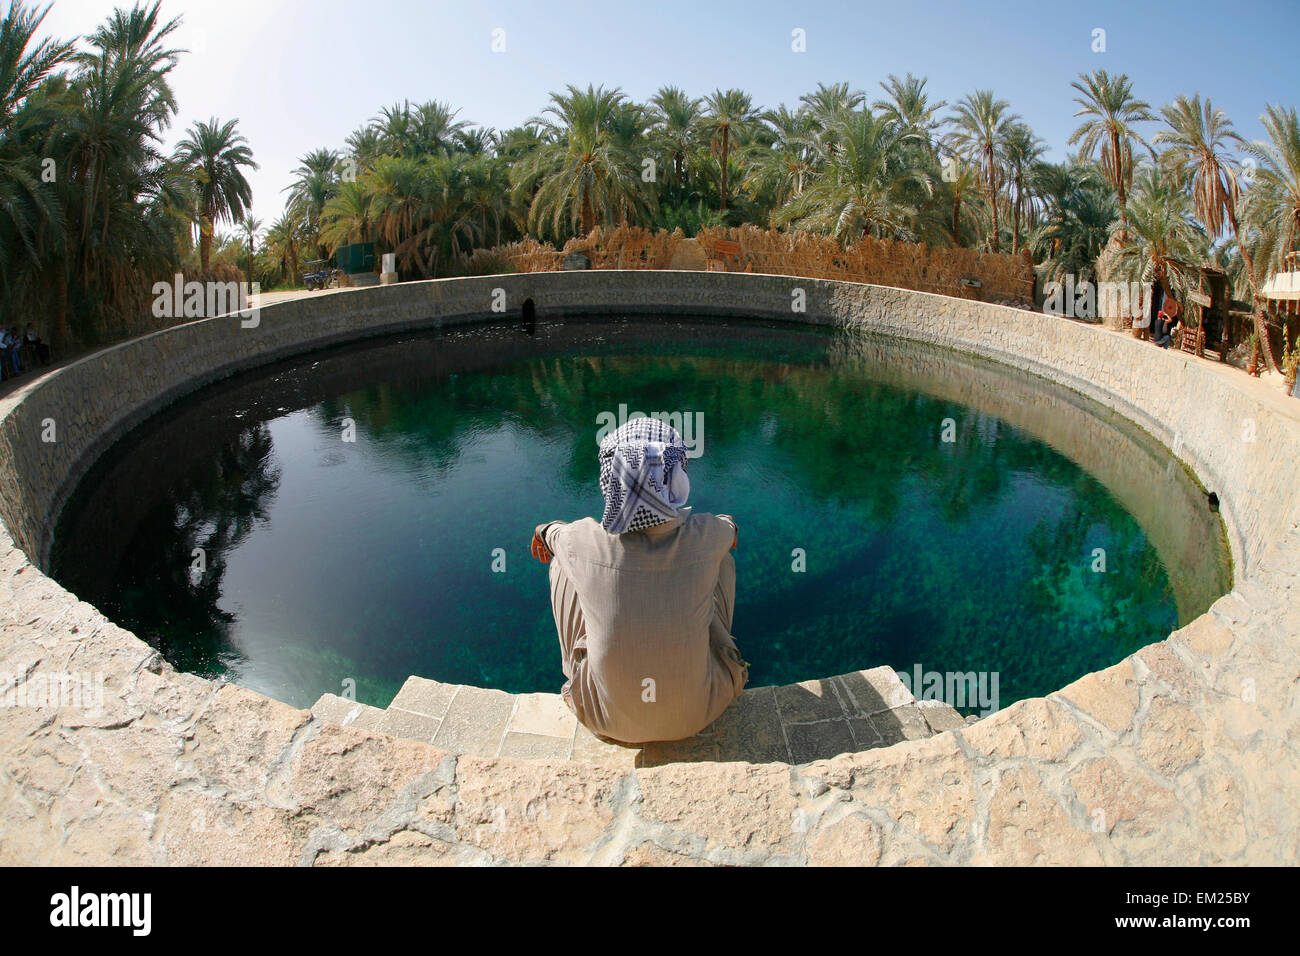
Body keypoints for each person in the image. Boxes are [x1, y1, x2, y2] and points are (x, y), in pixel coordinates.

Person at [531, 417, 747, 744]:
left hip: (600, 716)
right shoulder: (707, 534)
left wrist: (543, 531)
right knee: (722, 560)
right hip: (700, 712)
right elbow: (730, 530)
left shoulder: (580, 538)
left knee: (562, 564)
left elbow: (551, 534)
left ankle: (575, 678)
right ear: (675, 478)